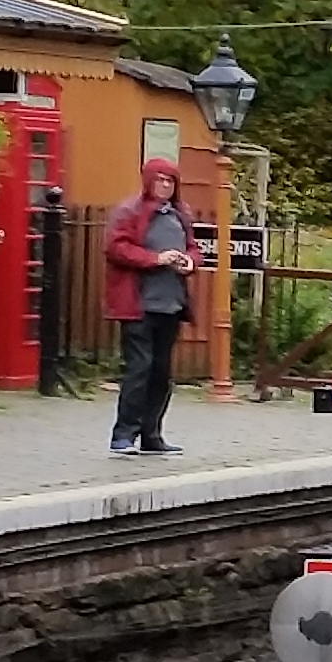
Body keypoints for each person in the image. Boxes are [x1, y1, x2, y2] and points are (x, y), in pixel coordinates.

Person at [101, 154, 199, 456]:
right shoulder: (129, 211)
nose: (165, 186)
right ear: (148, 181)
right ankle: (123, 435)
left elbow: (195, 248)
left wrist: (189, 262)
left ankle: (152, 434)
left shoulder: (181, 213)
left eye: (170, 181)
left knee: (161, 372)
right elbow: (115, 248)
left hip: (171, 303)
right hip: (138, 304)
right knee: (138, 369)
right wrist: (155, 259)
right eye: (160, 180)